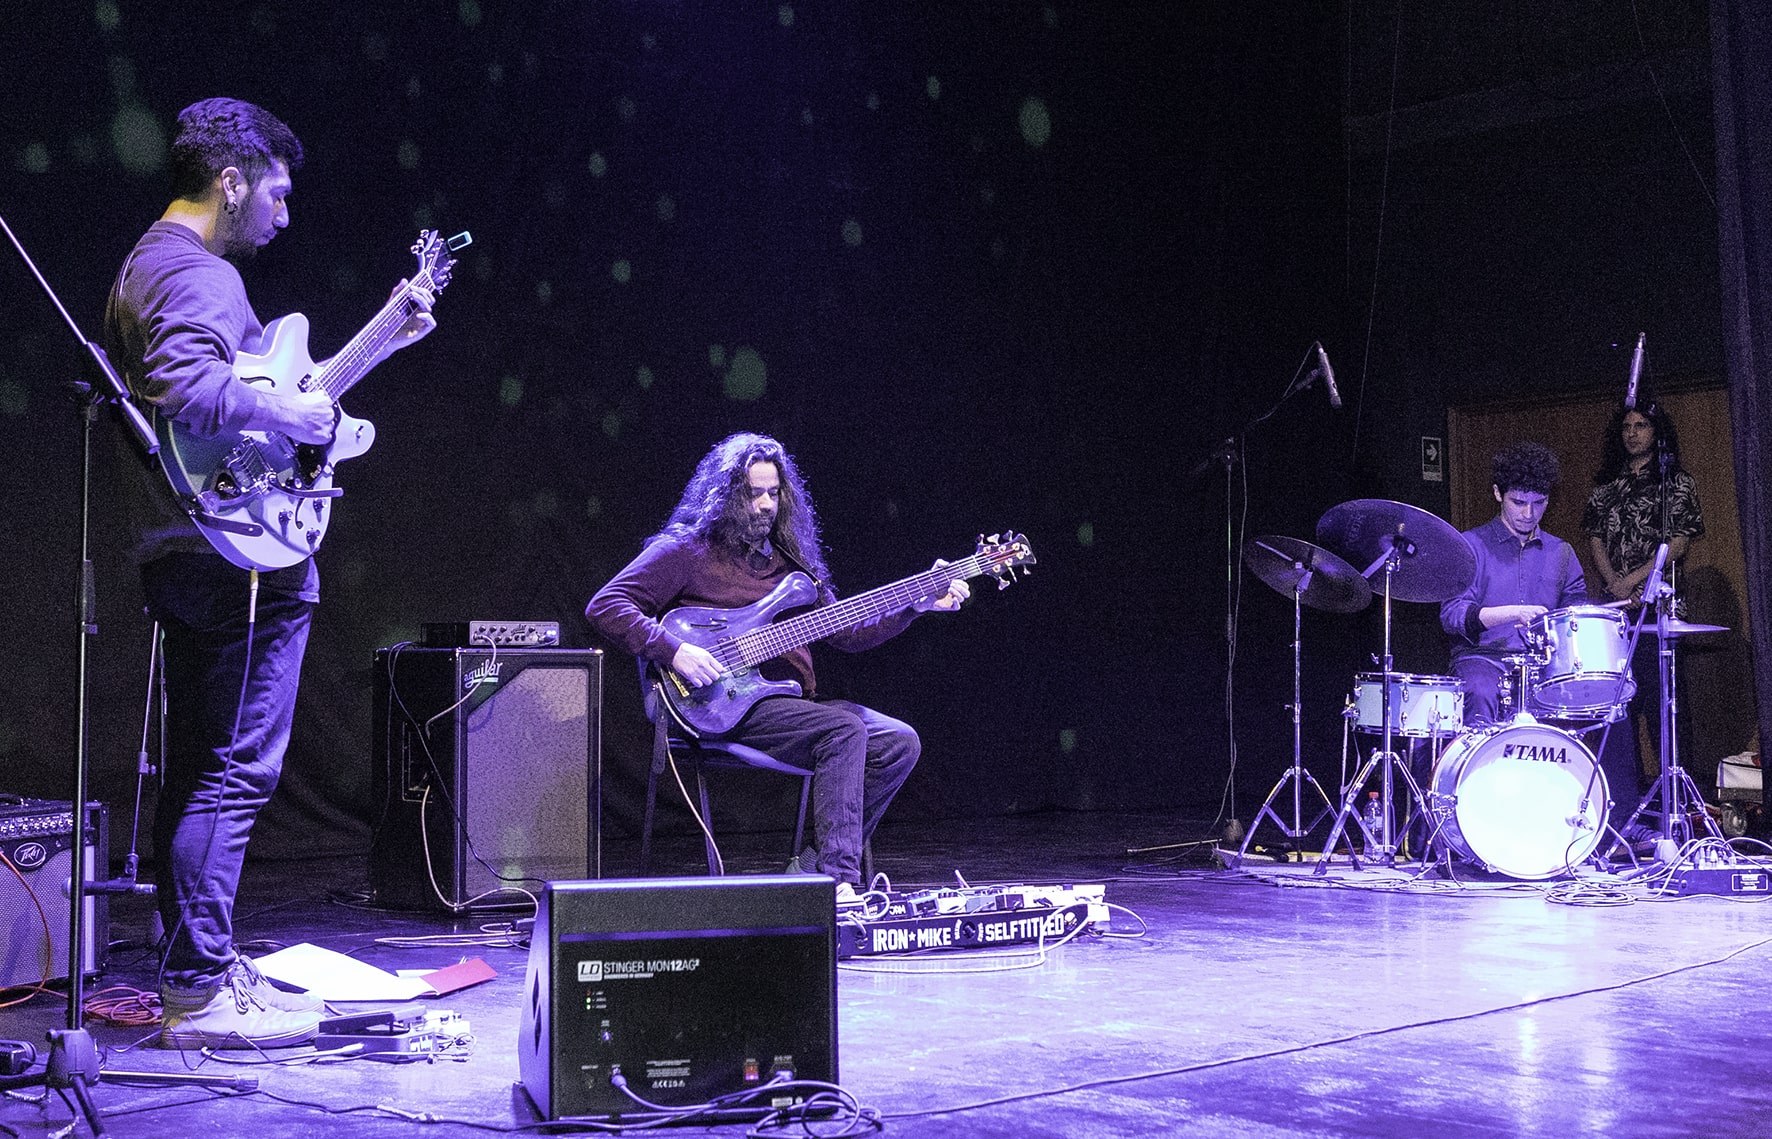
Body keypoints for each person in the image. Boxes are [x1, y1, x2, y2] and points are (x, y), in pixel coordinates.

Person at [104, 98, 434, 1048]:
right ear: (231, 181)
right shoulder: (196, 271)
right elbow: (192, 391)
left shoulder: (151, 265)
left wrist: (380, 340)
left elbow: (273, 391)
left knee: (200, 770)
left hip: (192, 547)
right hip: (234, 560)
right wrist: (293, 418)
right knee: (232, 771)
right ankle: (199, 992)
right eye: (276, 193)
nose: (285, 213)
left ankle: (193, 970)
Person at [584, 433, 968, 899]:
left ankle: (811, 867)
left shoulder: (791, 563)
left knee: (898, 742)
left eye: (774, 492)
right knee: (843, 730)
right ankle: (839, 887)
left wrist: (915, 605)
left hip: (784, 700)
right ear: (725, 495)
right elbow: (607, 605)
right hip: (718, 704)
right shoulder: (686, 551)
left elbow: (847, 632)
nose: (766, 504)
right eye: (753, 494)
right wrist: (675, 650)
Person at [1582, 401, 1704, 776]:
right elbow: (1595, 538)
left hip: (1658, 607)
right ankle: (1627, 789)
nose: (1632, 434)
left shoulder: (1676, 482)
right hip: (1616, 609)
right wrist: (1614, 584)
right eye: (1627, 427)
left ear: (1656, 431)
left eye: (1641, 426)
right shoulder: (1606, 485)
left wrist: (1635, 580)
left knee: (1663, 704)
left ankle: (1673, 791)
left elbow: (1679, 542)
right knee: (1620, 704)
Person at [1440, 442, 1589, 728]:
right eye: (1518, 502)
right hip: (1483, 659)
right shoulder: (1471, 545)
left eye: (1539, 503)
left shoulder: (1561, 552)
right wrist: (1514, 613)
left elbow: (1575, 613)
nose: (1529, 513)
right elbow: (1453, 615)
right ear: (1498, 493)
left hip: (1542, 664)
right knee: (1480, 690)